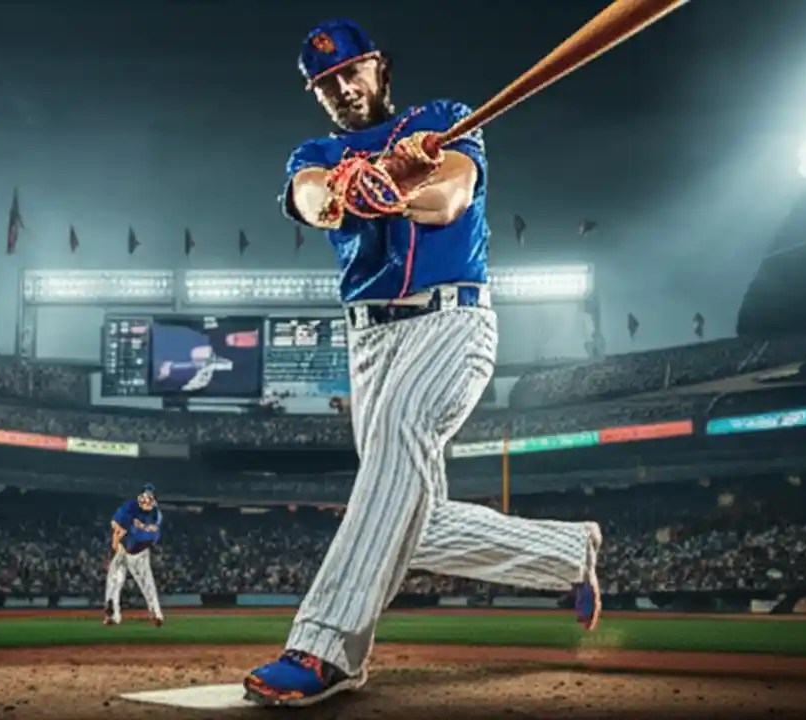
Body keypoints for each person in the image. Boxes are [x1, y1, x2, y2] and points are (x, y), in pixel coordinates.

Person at [243, 19, 603, 707]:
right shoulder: (314, 150)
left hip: (450, 321)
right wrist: (348, 189)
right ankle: (569, 553)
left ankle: (326, 648)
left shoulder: (442, 121)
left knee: (399, 445)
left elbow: (453, 195)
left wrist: (404, 187)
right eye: (325, 84)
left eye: (351, 72)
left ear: (380, 69)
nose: (342, 88)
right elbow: (311, 198)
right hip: (370, 343)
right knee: (413, 517)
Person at [103, 484, 165, 626]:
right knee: (113, 581)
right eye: (145, 495)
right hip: (123, 549)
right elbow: (115, 524)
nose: (146, 498)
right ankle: (113, 615)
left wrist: (140, 526)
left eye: (150, 496)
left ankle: (156, 613)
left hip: (139, 552)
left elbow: (152, 532)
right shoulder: (129, 506)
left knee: (147, 584)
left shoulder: (155, 514)